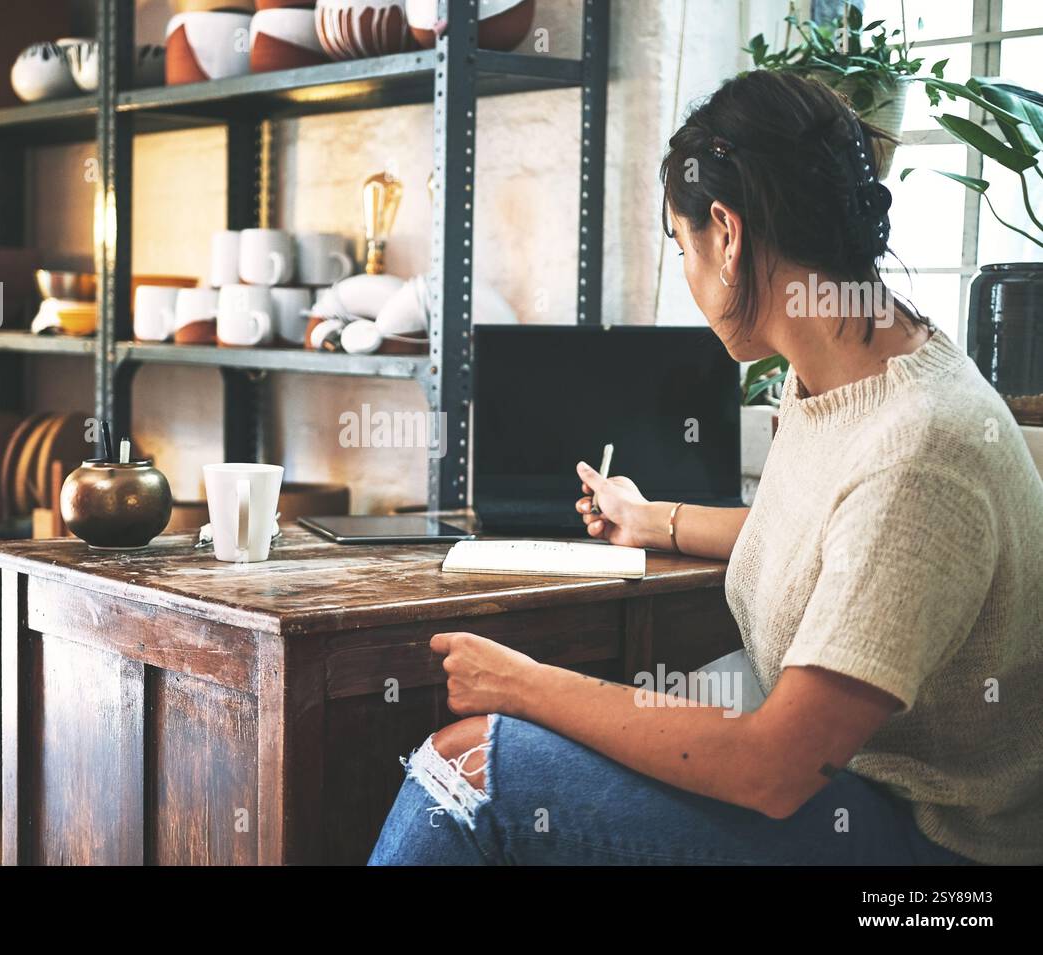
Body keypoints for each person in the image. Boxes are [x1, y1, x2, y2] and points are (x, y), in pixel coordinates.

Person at [368, 70, 1043, 866]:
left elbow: (776, 764)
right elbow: (839, 534)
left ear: (726, 233)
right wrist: (652, 519)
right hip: (850, 793)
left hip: (932, 854)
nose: (688, 273)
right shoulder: (846, 362)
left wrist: (522, 685)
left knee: (470, 768)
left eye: (680, 244)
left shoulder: (923, 445)